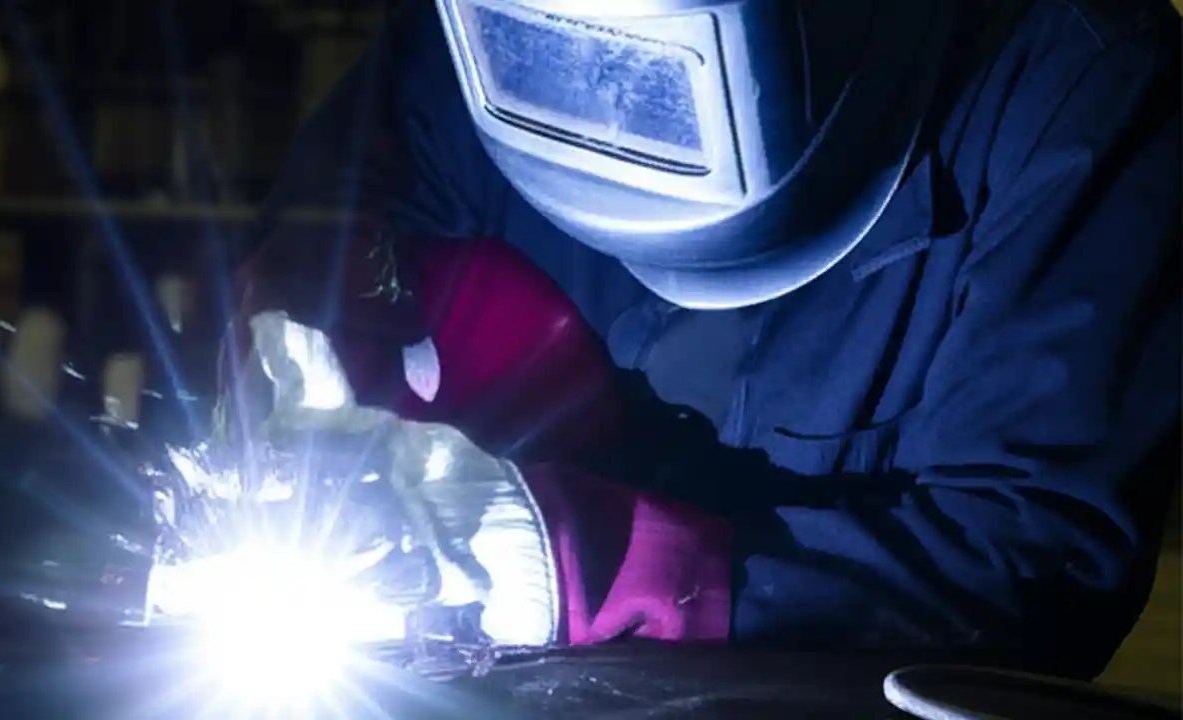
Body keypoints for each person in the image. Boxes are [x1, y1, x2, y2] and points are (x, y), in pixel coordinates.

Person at [215, 0, 1181, 679]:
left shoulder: (1080, 80)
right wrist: (308, 321)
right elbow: (354, 200)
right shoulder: (469, 35)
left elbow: (1040, 569)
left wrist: (605, 568)